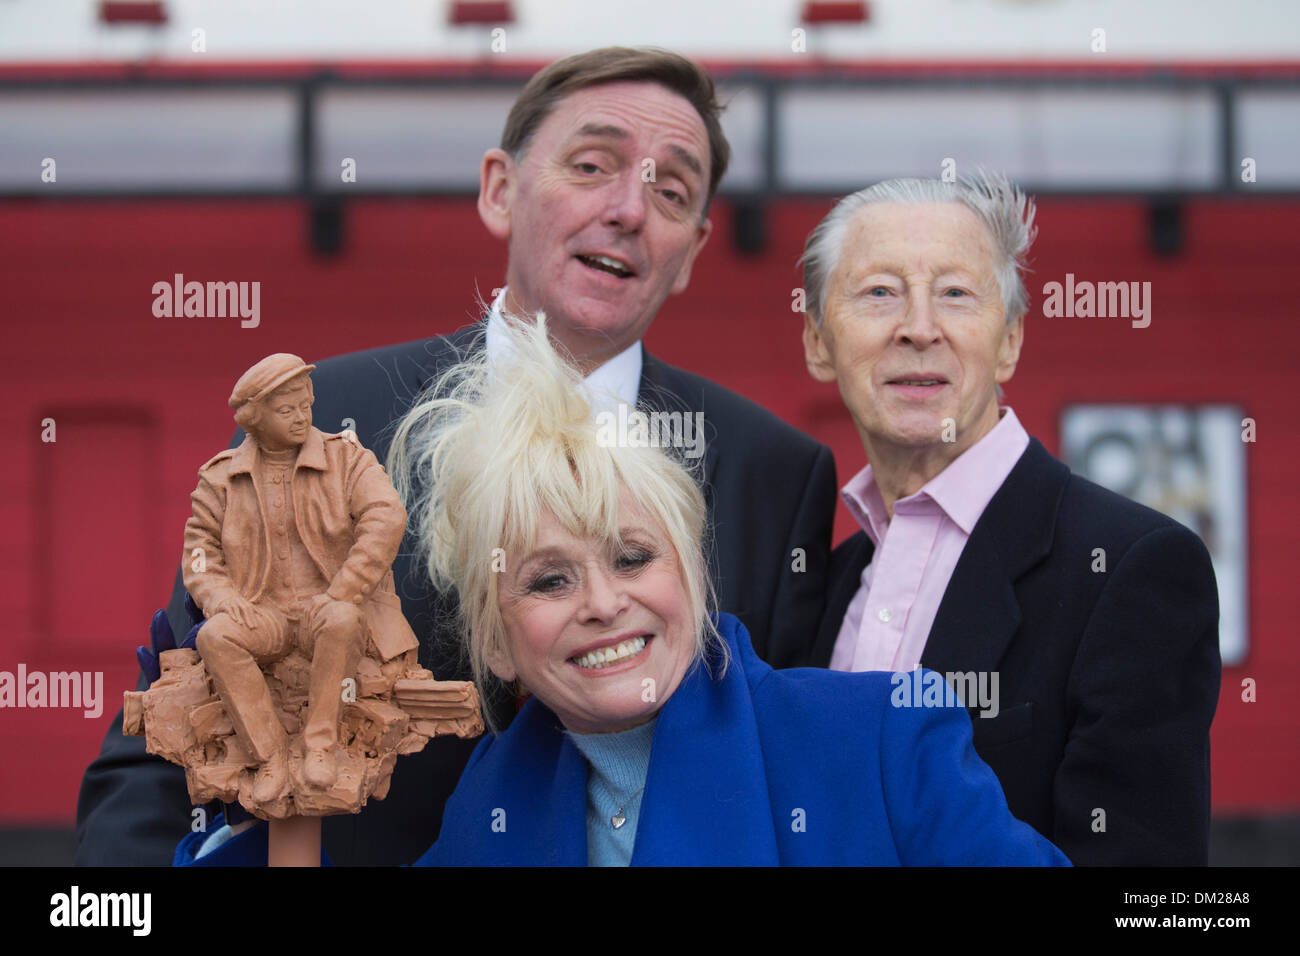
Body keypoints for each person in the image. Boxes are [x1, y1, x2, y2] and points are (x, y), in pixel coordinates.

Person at [76, 47, 836, 865]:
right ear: (499, 189)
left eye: (671, 190)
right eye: (591, 165)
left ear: (690, 249)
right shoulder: (325, 418)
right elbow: (171, 741)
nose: (628, 208)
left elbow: (783, 776)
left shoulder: (775, 474)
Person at [175, 315, 1070, 867]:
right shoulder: (491, 799)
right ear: (494, 642)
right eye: (549, 579)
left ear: (691, 571)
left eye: (635, 558)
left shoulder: (878, 738)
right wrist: (281, 805)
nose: (604, 602)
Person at [798, 174, 1221, 865]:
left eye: (956, 294)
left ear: (1009, 343)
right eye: (878, 292)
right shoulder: (824, 577)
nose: (918, 327)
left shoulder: (1131, 567)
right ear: (818, 341)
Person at [183, 354, 412, 800]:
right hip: (260, 612)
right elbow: (198, 551)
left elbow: (386, 516)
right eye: (286, 410)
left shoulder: (347, 458)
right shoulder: (221, 477)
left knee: (344, 622)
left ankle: (319, 746)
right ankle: (267, 756)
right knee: (216, 637)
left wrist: (345, 589)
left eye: (305, 406)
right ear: (254, 418)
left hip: (324, 606)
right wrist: (219, 596)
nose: (301, 417)